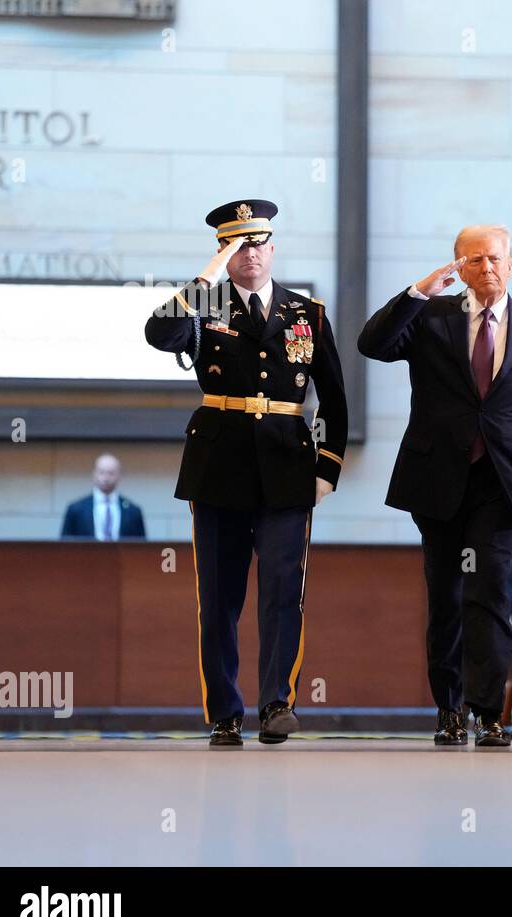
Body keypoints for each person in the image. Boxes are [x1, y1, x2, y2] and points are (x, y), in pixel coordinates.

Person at [145, 199, 348, 747]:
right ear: (223, 254)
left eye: (257, 243)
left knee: (285, 590)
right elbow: (157, 335)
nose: (249, 254)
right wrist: (203, 277)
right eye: (236, 246)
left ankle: (277, 703)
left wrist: (326, 469)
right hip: (219, 466)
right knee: (219, 597)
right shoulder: (204, 306)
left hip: (287, 468)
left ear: (273, 249)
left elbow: (334, 399)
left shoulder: (308, 314)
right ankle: (225, 711)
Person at [359, 224, 512, 749]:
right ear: (457, 268)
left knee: (489, 588)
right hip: (440, 478)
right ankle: (448, 708)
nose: (485, 268)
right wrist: (417, 292)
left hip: (503, 481)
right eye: (473, 261)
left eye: (494, 259)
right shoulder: (429, 318)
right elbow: (371, 344)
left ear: (510, 264)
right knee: (446, 595)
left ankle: (488, 711)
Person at [60, 454, 146, 540]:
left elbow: (141, 547)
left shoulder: (133, 511)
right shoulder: (76, 509)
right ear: (94, 474)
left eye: (111, 473)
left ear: (119, 476)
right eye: (101, 472)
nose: (106, 478)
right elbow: (64, 545)